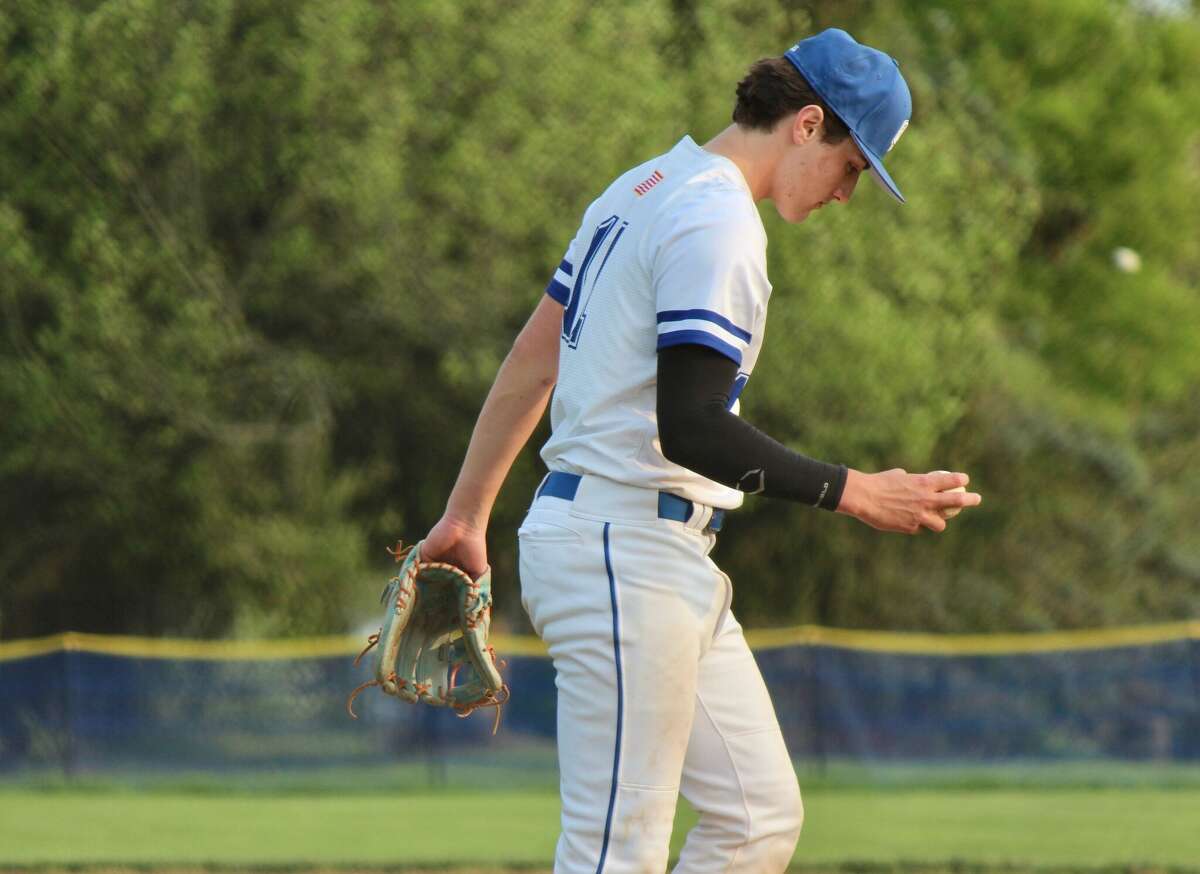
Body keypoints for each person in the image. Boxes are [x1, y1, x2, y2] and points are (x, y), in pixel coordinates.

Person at [421, 27, 981, 874]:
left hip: (647, 549)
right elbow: (692, 427)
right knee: (616, 853)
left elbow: (535, 359)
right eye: (852, 164)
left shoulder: (641, 188)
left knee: (756, 817)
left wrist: (468, 514)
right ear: (806, 123)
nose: (845, 193)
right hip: (623, 547)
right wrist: (856, 492)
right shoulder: (718, 218)